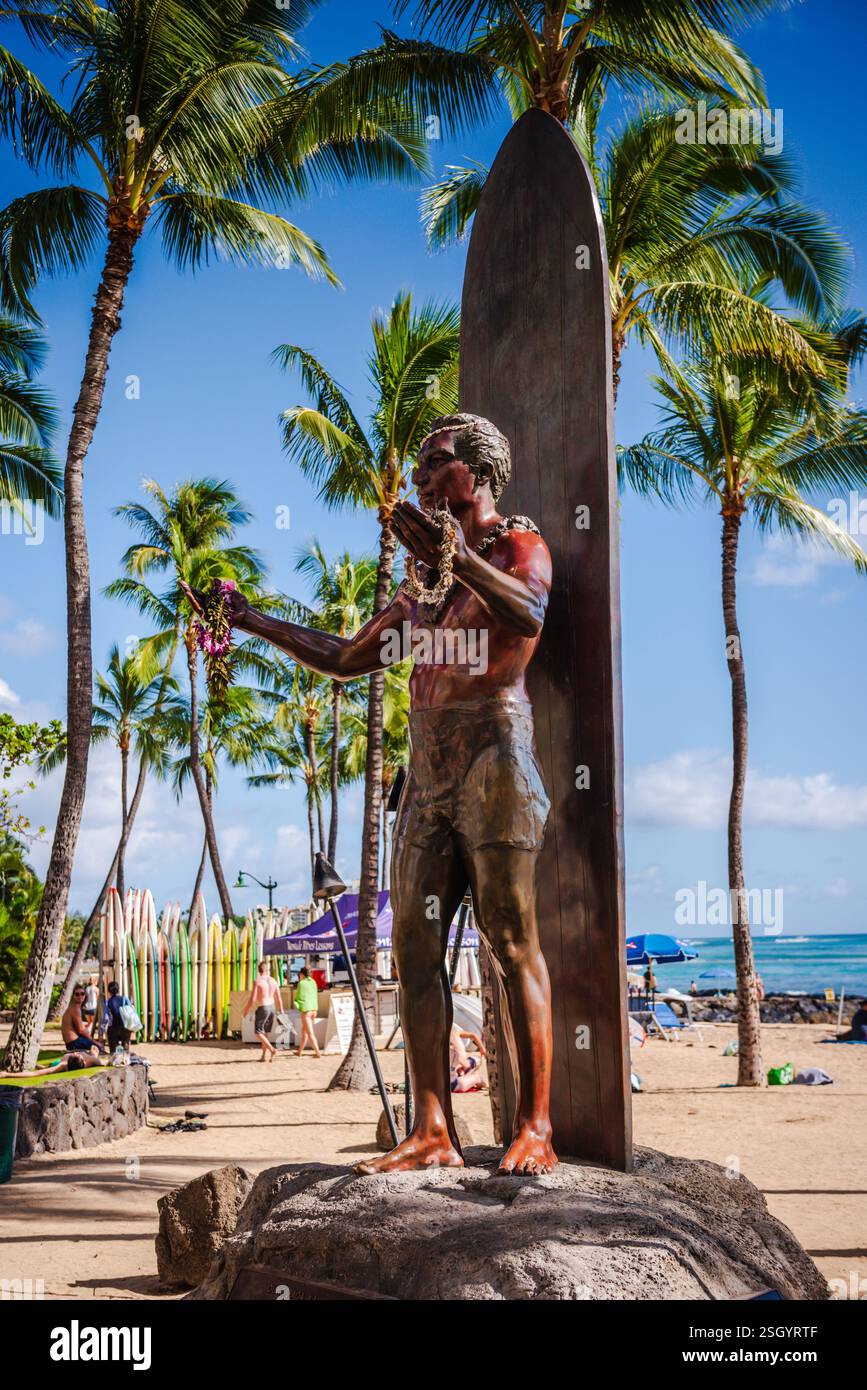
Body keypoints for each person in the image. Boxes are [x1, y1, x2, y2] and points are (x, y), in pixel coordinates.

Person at [183, 412, 557, 1175]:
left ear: (477, 471)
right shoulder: (419, 586)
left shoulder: (517, 542)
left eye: (434, 461)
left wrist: (458, 559)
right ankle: (431, 1131)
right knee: (413, 948)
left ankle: (536, 1127)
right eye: (418, 466)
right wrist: (251, 619)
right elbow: (346, 655)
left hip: (495, 758)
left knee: (511, 939)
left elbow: (527, 610)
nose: (418, 477)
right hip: (426, 778)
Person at [243, 961, 284, 1062]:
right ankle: (263, 1056)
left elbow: (252, 999)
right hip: (272, 1007)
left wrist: (246, 1009)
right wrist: (282, 1010)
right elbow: (279, 998)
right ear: (267, 970)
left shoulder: (258, 981)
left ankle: (272, 1049)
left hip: (263, 1007)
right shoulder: (274, 981)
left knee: (258, 1033)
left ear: (259, 971)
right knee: (265, 1033)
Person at [61, 987, 101, 1054]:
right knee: (98, 1047)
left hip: (72, 1042)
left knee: (95, 1045)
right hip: (74, 1043)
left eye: (82, 994)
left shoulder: (73, 1007)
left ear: (85, 995)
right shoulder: (76, 1008)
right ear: (73, 996)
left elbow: (79, 1029)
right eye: (77, 994)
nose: (80, 996)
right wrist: (94, 1041)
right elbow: (81, 1030)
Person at [449, 1026, 488, 1093]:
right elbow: (465, 1064)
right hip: (454, 1084)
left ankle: (462, 1073)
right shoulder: (455, 1042)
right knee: (477, 1077)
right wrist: (482, 1049)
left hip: (439, 1084)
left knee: (459, 1068)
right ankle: (486, 1085)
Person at [102, 980, 134, 1056]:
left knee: (113, 1051)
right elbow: (131, 1011)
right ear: (118, 989)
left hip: (113, 1028)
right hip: (125, 1027)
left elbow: (105, 1018)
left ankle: (115, 1061)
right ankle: (124, 1061)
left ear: (109, 991)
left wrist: (101, 1031)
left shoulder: (108, 1002)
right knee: (125, 1048)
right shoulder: (124, 999)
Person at [293, 967, 320, 1058]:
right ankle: (299, 1052)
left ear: (302, 974)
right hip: (313, 1010)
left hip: (306, 1011)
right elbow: (314, 996)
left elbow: (299, 997)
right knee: (304, 1031)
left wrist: (296, 1003)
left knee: (310, 1033)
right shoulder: (313, 982)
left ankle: (317, 1053)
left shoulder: (301, 983)